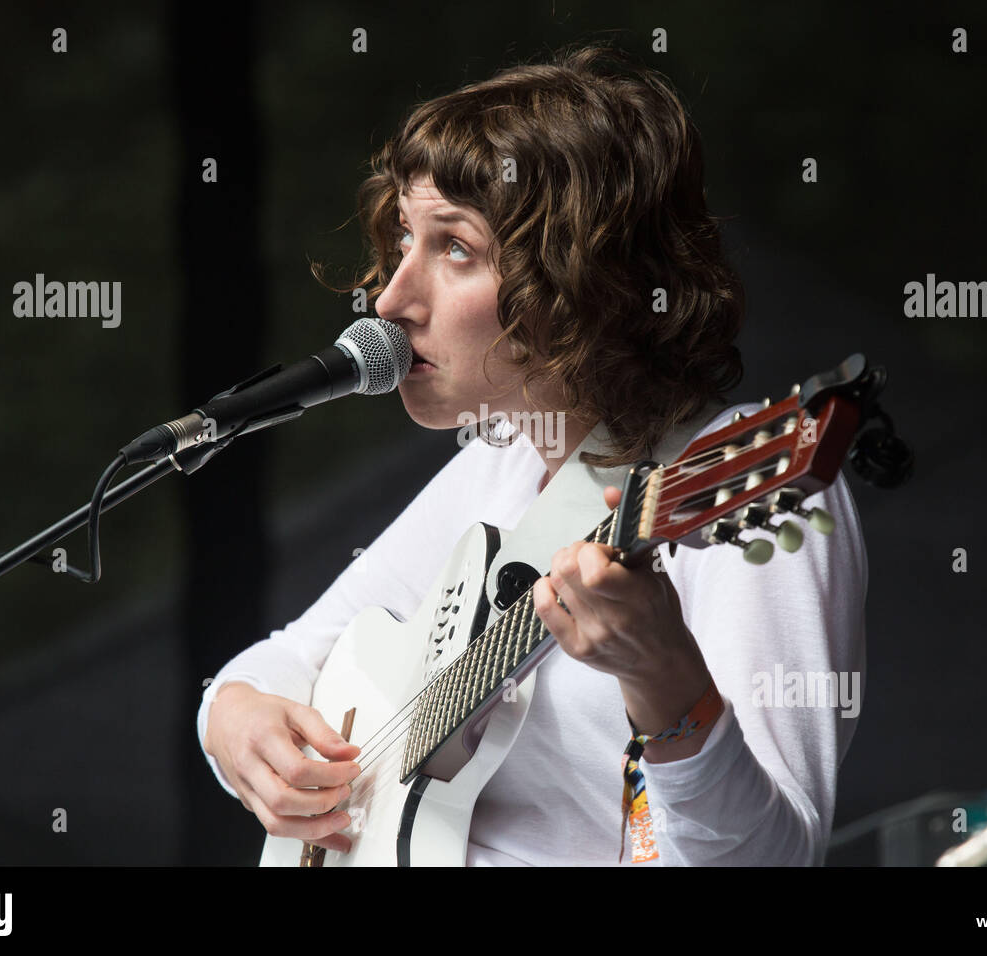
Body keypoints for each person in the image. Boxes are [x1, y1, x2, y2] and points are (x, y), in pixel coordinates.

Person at [198, 43, 867, 866]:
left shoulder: (747, 488)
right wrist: (233, 718)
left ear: (583, 280)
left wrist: (664, 679)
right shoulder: (503, 461)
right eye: (405, 237)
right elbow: (290, 656)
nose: (390, 298)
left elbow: (774, 860)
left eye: (454, 248)